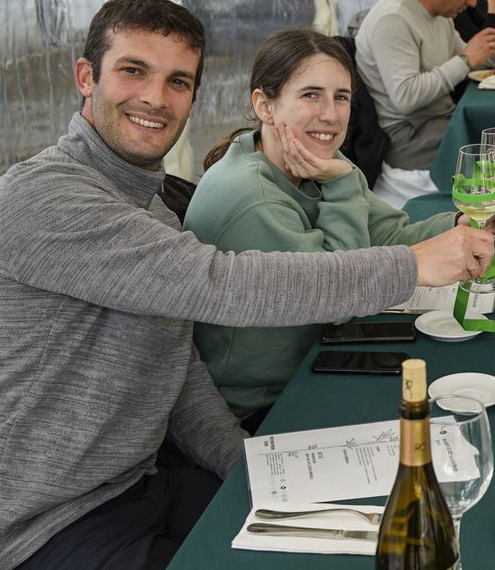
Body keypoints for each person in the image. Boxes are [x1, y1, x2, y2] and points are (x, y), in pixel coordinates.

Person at [0, 0, 495, 570]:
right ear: (85, 77)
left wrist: (246, 463)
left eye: (178, 81)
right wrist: (412, 265)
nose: (155, 97)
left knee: (350, 532)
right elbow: (223, 284)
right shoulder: (41, 197)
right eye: (133, 71)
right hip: (29, 527)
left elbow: (175, 370)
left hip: (135, 486)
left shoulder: (149, 210)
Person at [185, 29, 471, 427]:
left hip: (316, 359)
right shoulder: (254, 196)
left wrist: (462, 225)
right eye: (310, 95)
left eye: (341, 97)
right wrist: (342, 182)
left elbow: (387, 236)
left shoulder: (316, 158)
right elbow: (340, 297)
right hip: (264, 405)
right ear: (264, 106)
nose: (331, 115)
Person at [354, 0, 495, 207]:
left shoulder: (440, 14)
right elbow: (406, 96)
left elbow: (472, 58)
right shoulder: (393, 20)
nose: (473, 2)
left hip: (439, 121)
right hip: (410, 137)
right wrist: (465, 60)